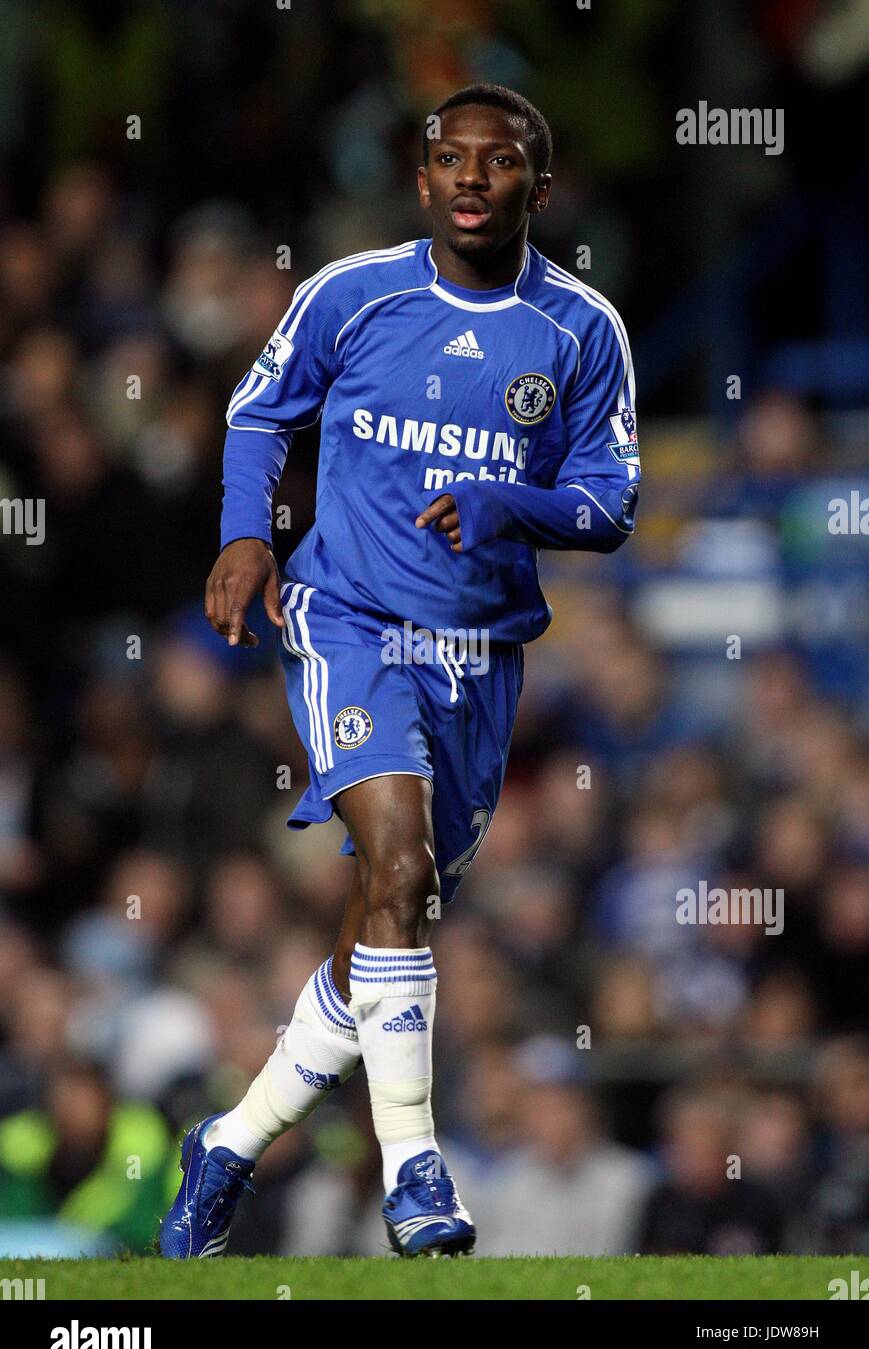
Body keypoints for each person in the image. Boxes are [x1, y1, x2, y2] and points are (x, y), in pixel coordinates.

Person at [160, 83, 640, 1260]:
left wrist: (505, 503)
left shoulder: (582, 330)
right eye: (450, 159)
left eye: (500, 160)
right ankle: (417, 1165)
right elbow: (259, 410)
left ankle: (227, 1144)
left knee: (391, 916)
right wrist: (242, 533)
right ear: (422, 180)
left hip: (478, 660)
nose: (472, 176)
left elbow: (610, 502)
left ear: (540, 183)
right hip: (350, 618)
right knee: (397, 859)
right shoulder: (351, 294)